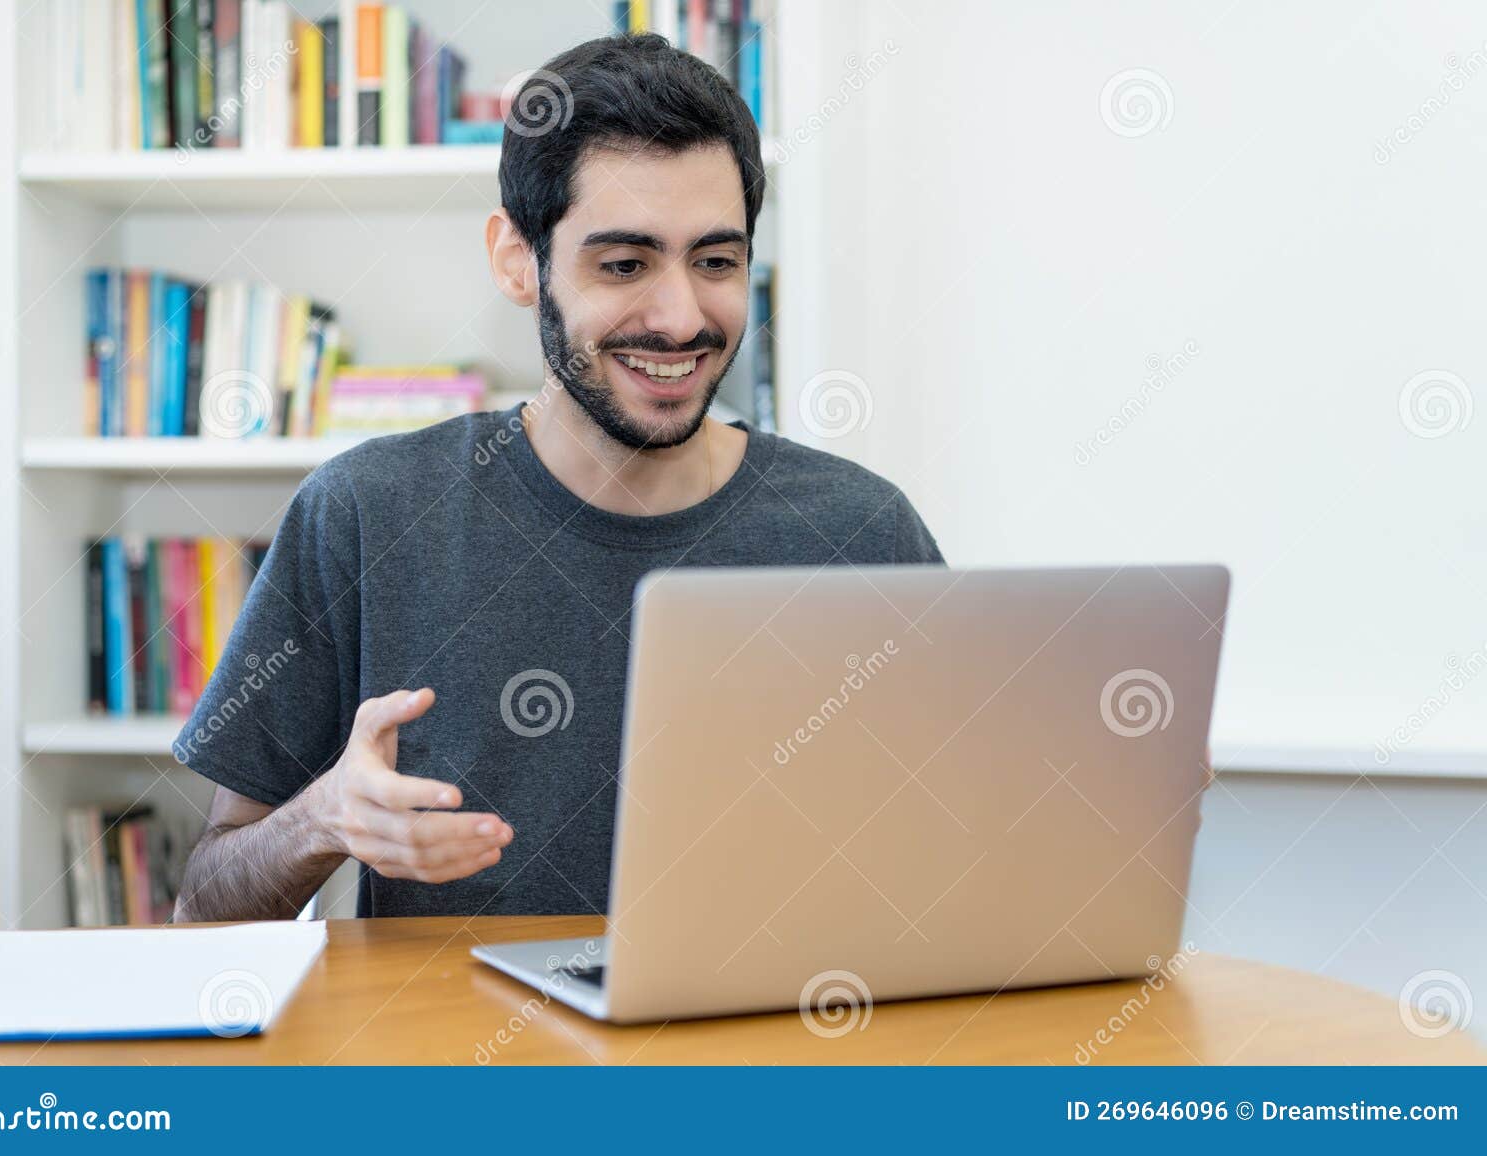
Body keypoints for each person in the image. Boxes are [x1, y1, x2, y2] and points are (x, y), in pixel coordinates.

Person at [171, 33, 942, 923]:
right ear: (516, 260)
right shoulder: (365, 514)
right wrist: (321, 820)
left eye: (717, 261)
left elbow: (967, 866)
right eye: (624, 264)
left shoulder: (865, 532)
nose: (681, 316)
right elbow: (206, 911)